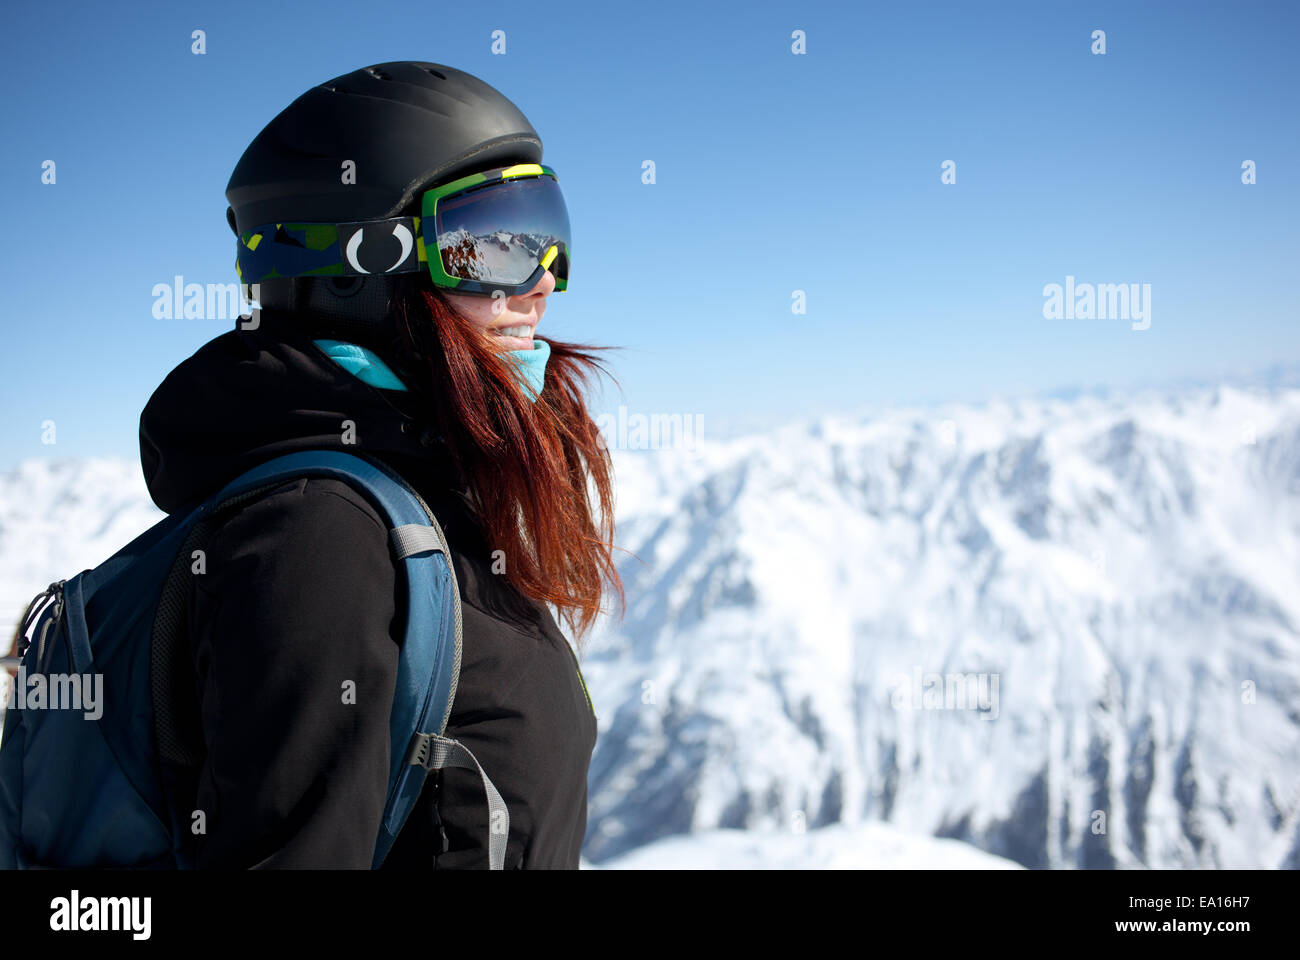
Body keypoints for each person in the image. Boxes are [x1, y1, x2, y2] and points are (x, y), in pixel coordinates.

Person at [138, 61, 623, 869]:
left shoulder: (433, 497)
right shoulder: (318, 537)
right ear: (358, 267)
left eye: (546, 232)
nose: (542, 280)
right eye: (490, 243)